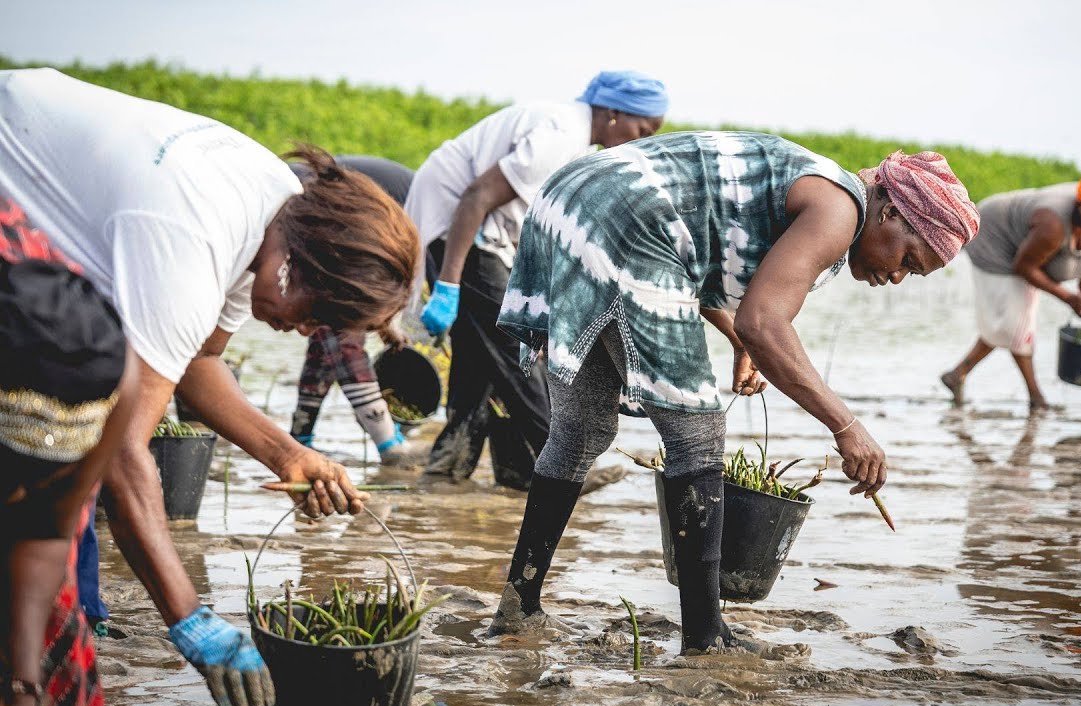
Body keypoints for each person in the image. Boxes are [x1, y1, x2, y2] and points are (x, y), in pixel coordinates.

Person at [0, 69, 419, 706]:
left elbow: (196, 366)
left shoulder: (278, 213)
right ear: (297, 266)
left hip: (45, 220)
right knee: (61, 458)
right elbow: (121, 448)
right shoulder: (193, 236)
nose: (306, 331)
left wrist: (287, 455)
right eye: (317, 314)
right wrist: (189, 615)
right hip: (12, 187)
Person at [489, 132, 979, 654]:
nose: (899, 276)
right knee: (697, 433)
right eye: (909, 258)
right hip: (626, 218)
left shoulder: (827, 193)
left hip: (572, 198)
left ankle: (520, 605)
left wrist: (737, 337)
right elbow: (765, 321)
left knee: (582, 430)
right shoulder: (840, 211)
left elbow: (701, 247)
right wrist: (847, 426)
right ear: (891, 215)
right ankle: (705, 637)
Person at [405, 70, 667, 489]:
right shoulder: (562, 133)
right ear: (615, 113)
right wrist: (450, 282)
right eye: (643, 128)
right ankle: (564, 465)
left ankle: (457, 470)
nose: (641, 141)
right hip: (458, 233)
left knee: (481, 356)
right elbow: (476, 196)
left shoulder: (575, 140)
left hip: (477, 237)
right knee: (520, 347)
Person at [1, 193, 137, 706]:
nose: (19, 495)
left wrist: (23, 680)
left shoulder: (111, 374)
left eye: (44, 480)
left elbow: (46, 530)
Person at [940, 171, 1081, 410]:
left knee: (1010, 324)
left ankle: (957, 375)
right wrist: (1069, 297)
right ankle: (1036, 399)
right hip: (993, 239)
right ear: (1080, 208)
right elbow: (1024, 267)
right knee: (1018, 326)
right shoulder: (1053, 223)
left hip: (1020, 243)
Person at [287, 155, 426, 468]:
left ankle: (299, 436)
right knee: (342, 324)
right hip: (303, 204)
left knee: (326, 330)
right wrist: (384, 323)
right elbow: (369, 282)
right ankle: (388, 442)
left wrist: (386, 323)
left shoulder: (416, 209)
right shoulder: (428, 218)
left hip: (326, 215)